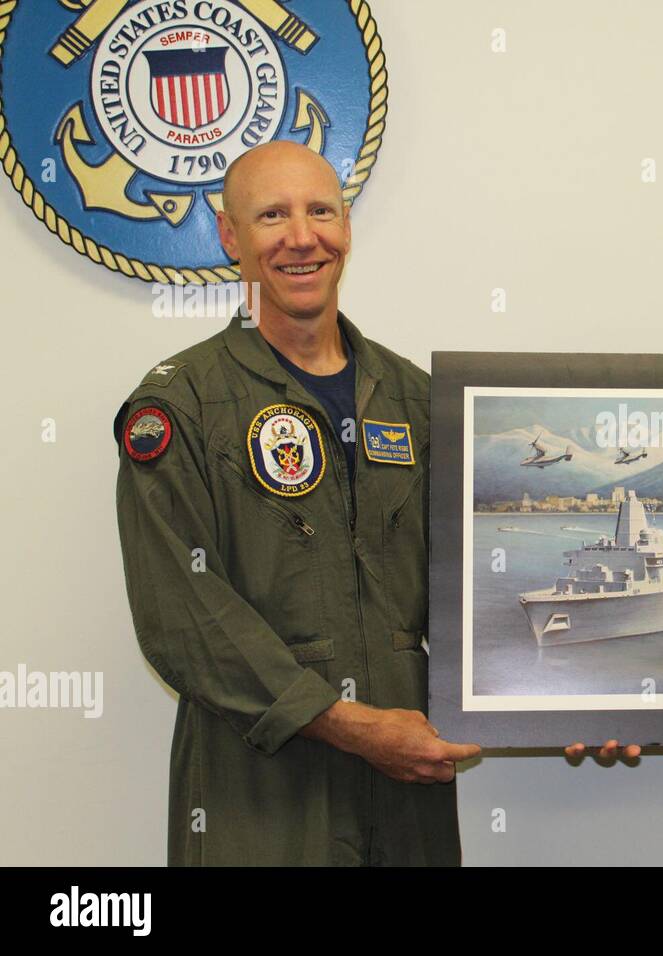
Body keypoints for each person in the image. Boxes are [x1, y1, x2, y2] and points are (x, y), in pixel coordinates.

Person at [115, 141, 635, 866]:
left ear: (347, 227)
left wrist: (583, 694)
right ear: (230, 237)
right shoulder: (183, 405)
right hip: (258, 785)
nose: (303, 236)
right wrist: (343, 723)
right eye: (272, 215)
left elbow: (478, 587)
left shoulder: (419, 401)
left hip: (405, 785)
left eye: (320, 210)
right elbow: (183, 618)